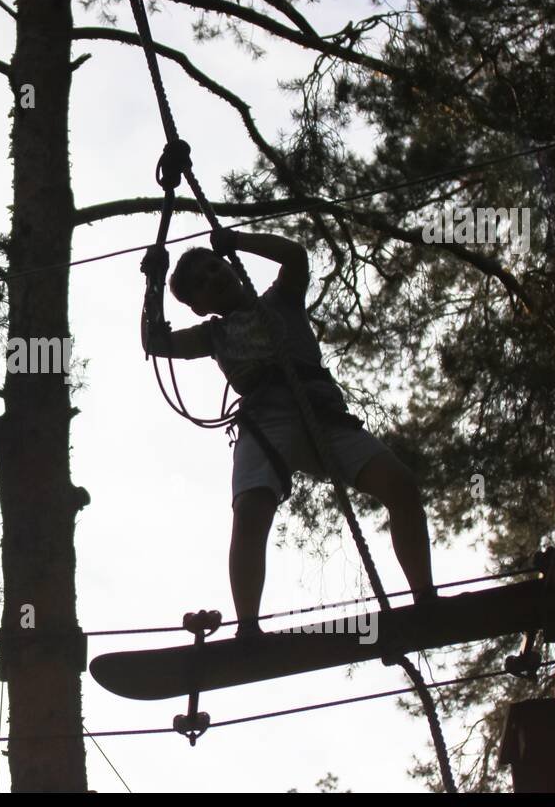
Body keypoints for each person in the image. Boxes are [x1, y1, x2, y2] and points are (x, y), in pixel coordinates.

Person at [140, 228, 436, 636]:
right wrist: (153, 284)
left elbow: (295, 255)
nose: (213, 277)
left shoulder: (280, 301)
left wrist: (236, 240)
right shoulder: (214, 335)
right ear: (199, 307)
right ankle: (248, 626)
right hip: (265, 422)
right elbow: (156, 342)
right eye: (201, 283)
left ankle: (425, 598)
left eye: (214, 268)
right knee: (249, 513)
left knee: (401, 485)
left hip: (321, 414)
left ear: (229, 267)